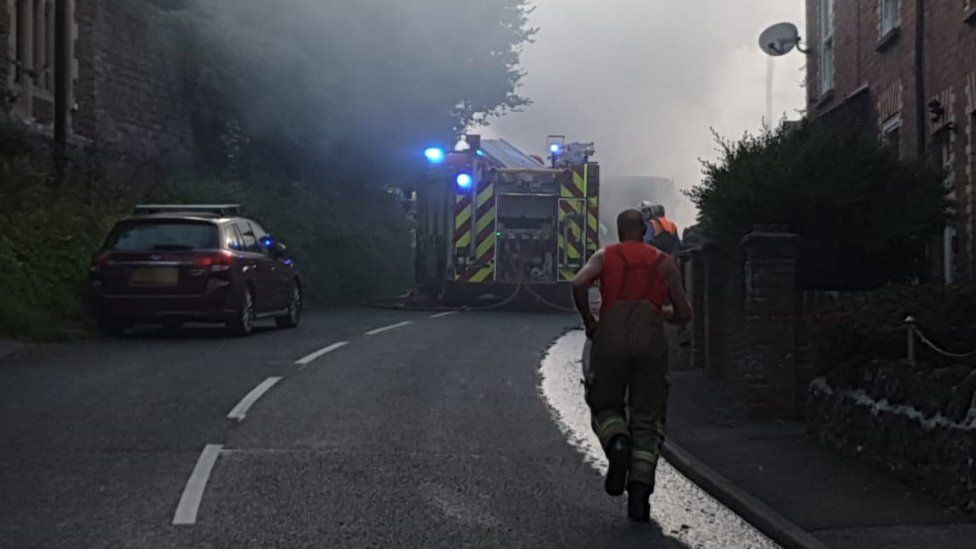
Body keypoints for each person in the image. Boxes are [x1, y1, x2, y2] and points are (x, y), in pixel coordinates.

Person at [571, 208, 692, 522]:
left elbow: (579, 283)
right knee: (647, 418)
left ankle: (617, 442)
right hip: (650, 343)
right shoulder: (663, 262)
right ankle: (639, 492)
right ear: (645, 231)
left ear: (619, 229)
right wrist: (659, 313)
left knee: (604, 404)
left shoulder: (605, 256)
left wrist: (590, 321)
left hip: (610, 341)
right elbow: (684, 311)